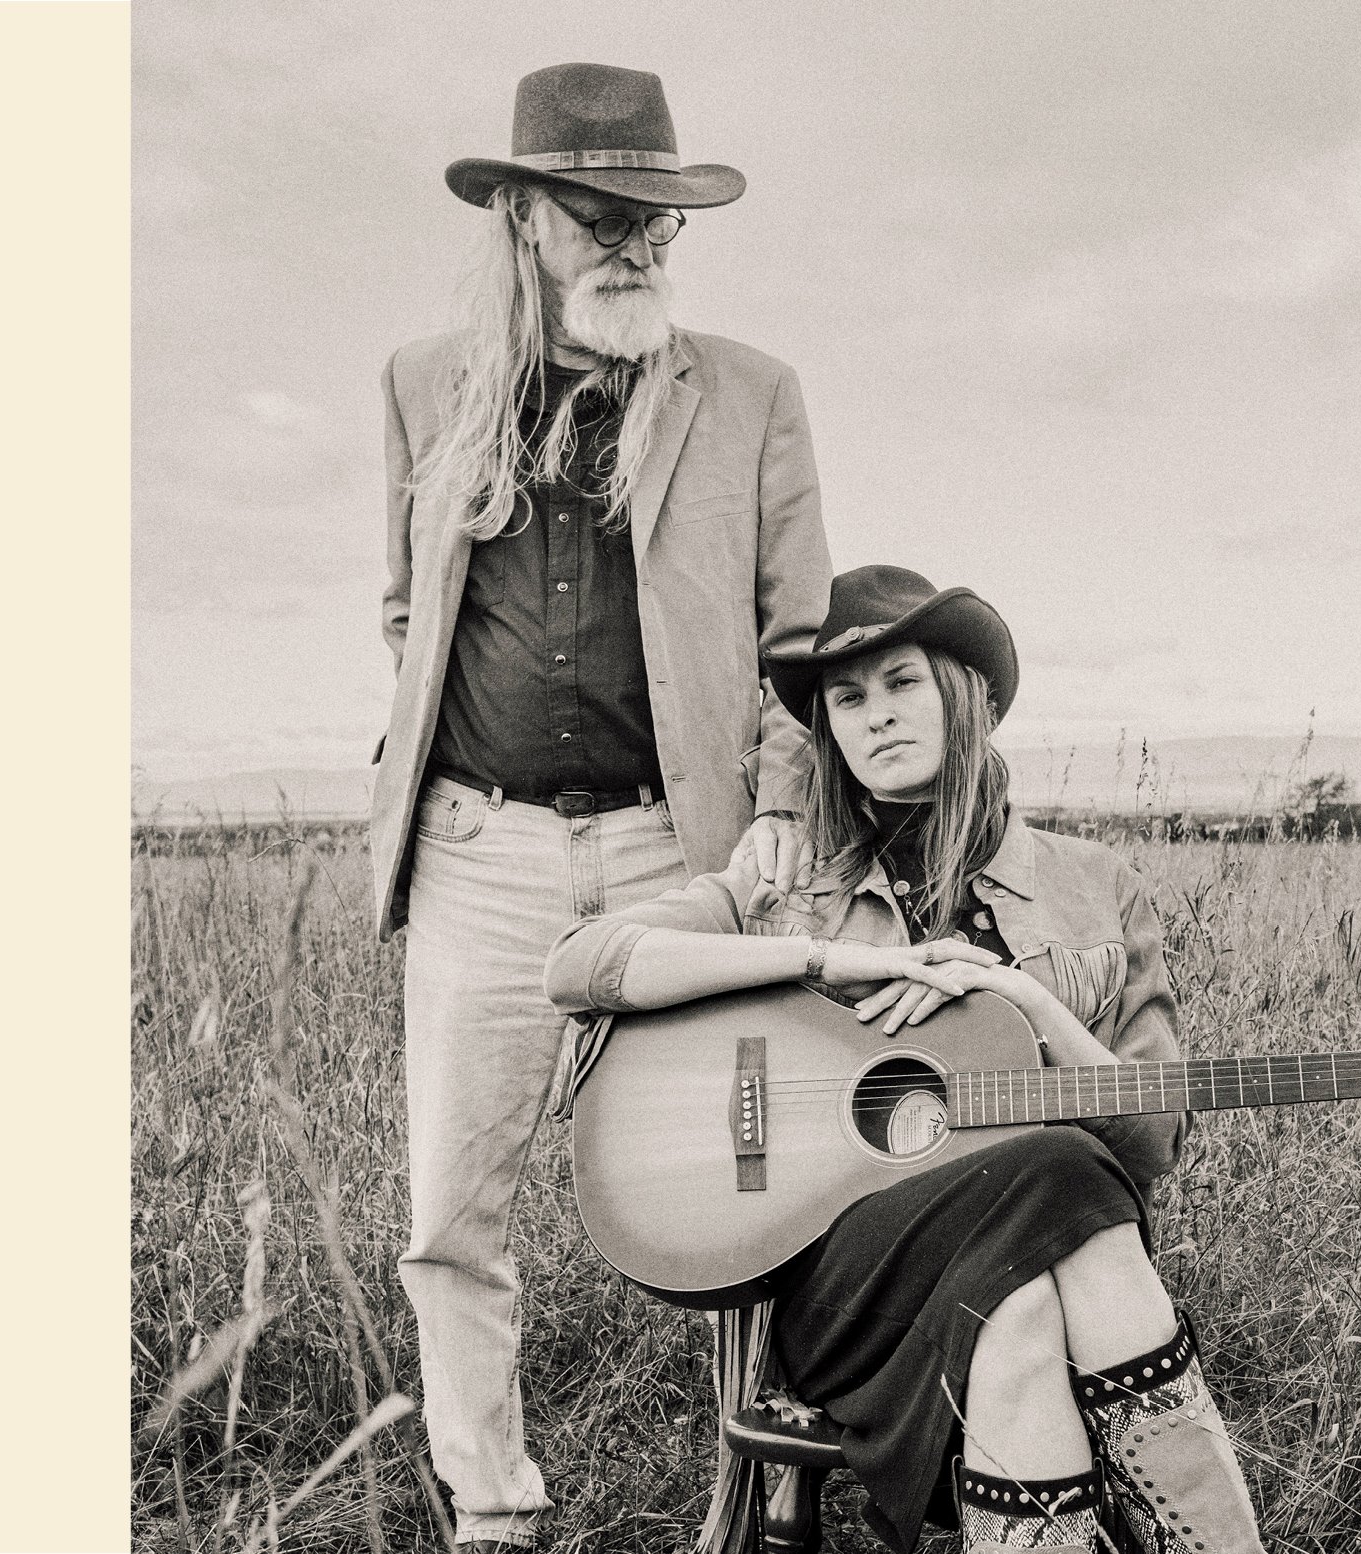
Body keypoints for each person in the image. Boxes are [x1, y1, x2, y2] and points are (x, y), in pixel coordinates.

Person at [547, 567, 1266, 1554]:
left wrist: (1020, 994)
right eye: (846, 699)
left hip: (1035, 1270)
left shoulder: (1098, 889)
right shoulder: (784, 885)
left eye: (900, 685)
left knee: (1019, 1309)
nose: (873, 717)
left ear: (961, 694)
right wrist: (827, 959)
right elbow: (581, 966)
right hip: (850, 1300)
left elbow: (1147, 1148)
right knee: (1058, 1166)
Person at [367, 63, 832, 1551]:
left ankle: (755, 1488)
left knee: (741, 1180)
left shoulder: (752, 393)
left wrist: (772, 807)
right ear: (519, 213)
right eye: (599, 208)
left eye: (659, 216)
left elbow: (799, 642)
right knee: (451, 1205)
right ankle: (490, 1504)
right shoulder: (420, 385)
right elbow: (406, 608)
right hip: (475, 850)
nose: (634, 239)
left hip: (673, 852)